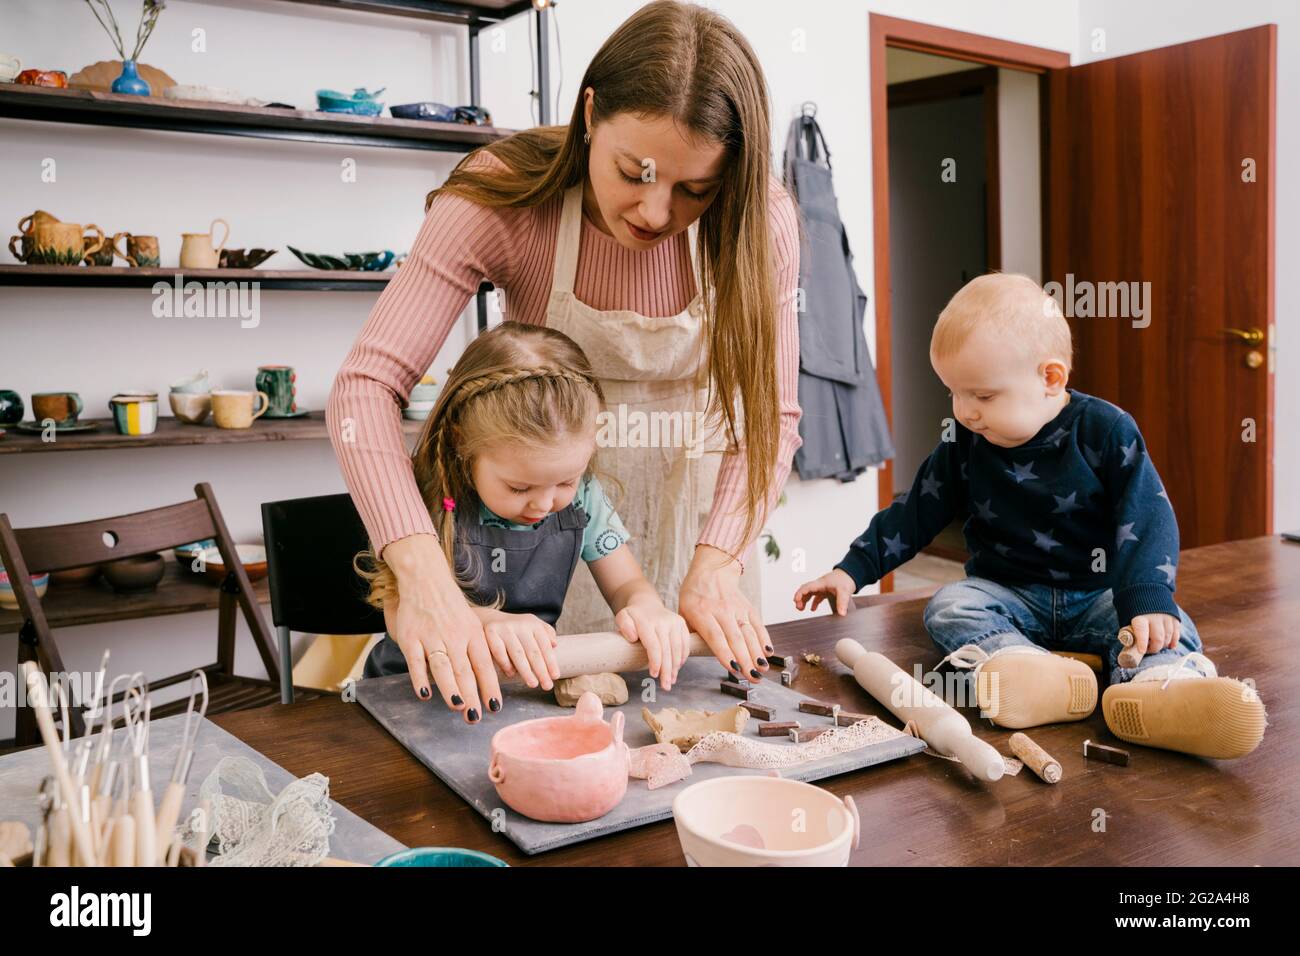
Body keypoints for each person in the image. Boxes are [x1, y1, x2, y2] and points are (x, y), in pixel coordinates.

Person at [327, 0, 803, 721]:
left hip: (696, 542)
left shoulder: (758, 222)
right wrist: (423, 575)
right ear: (589, 115)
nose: (654, 212)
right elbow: (365, 389)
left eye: (694, 190)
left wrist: (718, 567)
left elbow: (770, 420)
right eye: (632, 172)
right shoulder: (503, 195)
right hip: (536, 577)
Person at [794, 273, 1265, 759]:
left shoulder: (1105, 430)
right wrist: (853, 569)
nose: (966, 412)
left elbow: (1146, 515)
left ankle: (1164, 692)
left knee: (1166, 623)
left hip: (1097, 594)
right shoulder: (964, 441)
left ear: (1050, 378)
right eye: (954, 393)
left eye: (983, 396)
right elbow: (916, 511)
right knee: (950, 605)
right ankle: (1031, 673)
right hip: (1007, 595)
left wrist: (1148, 597)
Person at [356, 322, 691, 720]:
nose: (545, 503)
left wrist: (646, 606)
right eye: (519, 488)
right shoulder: (416, 499)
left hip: (514, 696)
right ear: (463, 442)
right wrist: (488, 622)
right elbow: (398, 612)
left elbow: (625, 583)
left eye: (566, 480)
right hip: (409, 693)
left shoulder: (584, 497)